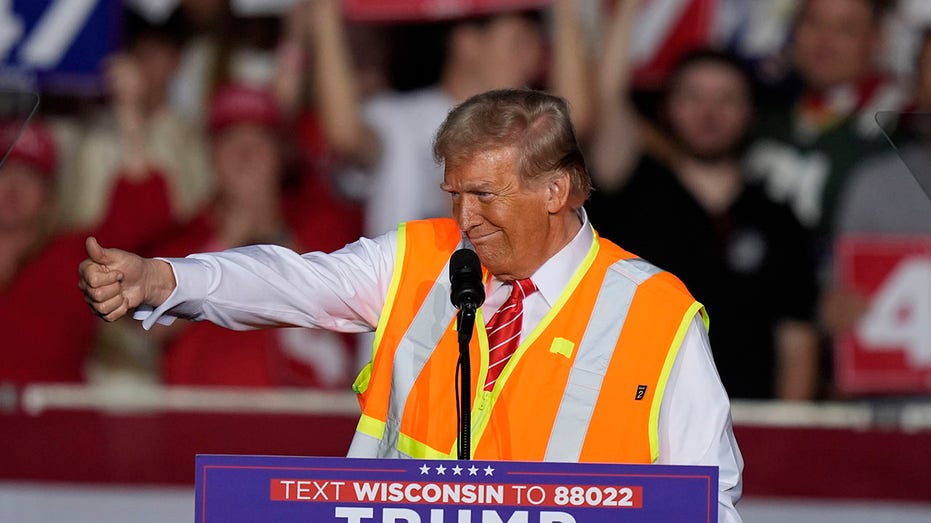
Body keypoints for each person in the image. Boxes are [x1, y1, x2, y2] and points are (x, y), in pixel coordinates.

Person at [78, 89, 742, 521]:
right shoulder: (423, 256)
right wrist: (165, 279)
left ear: (554, 190)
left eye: (485, 195)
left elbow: (711, 497)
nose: (464, 218)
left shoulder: (655, 311)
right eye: (454, 193)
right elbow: (290, 280)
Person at [588, 49, 821, 401]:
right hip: (638, 420)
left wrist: (788, 438)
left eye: (727, 98)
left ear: (751, 111)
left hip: (747, 429)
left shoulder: (779, 219)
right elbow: (606, 103)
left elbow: (798, 344)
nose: (708, 113)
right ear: (666, 107)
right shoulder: (629, 195)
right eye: (692, 96)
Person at [0, 119, 172, 384]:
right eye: (5, 170)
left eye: (29, 176)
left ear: (49, 194)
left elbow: (143, 216)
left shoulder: (69, 258)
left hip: (54, 422)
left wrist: (131, 118)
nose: (13, 187)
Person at [744, 0, 905, 262]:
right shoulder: (758, 105)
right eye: (813, 24)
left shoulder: (899, 127)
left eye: (845, 29)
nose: (824, 42)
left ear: (877, 40)